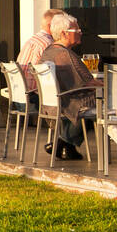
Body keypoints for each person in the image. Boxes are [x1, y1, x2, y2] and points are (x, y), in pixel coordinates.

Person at [38, 13, 100, 161]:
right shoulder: (66, 55)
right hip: (69, 103)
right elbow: (89, 83)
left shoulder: (48, 51)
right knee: (107, 102)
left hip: (53, 103)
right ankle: (65, 143)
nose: (81, 33)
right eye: (77, 31)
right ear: (64, 34)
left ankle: (64, 143)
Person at [17, 8, 65, 91]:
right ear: (51, 26)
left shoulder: (34, 39)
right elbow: (57, 75)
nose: (65, 28)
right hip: (35, 95)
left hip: (20, 93)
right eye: (63, 25)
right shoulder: (48, 44)